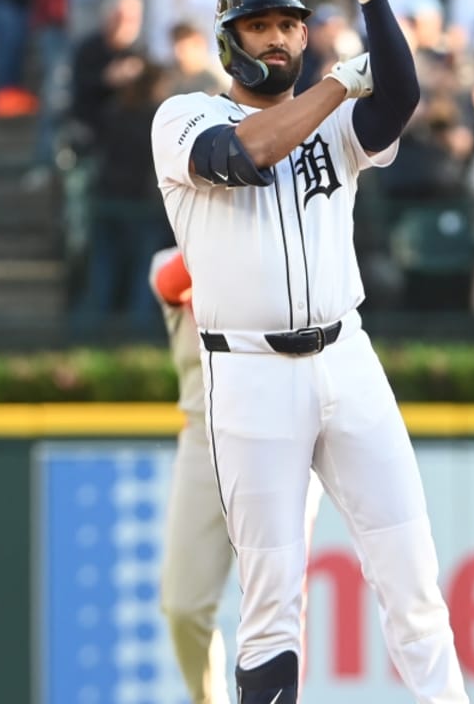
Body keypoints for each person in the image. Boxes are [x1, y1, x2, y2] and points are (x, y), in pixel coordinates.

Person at [148, 0, 469, 704]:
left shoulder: (334, 120)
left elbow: (396, 99)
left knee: (414, 581)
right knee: (272, 605)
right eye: (258, 26)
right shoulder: (185, 116)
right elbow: (245, 153)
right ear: (231, 38)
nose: (277, 39)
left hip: (346, 358)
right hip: (250, 376)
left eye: (288, 24)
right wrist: (336, 80)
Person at [147, 248, 323, 704]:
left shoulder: (286, 243)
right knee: (183, 606)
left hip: (280, 436)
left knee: (277, 605)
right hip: (204, 446)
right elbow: (174, 280)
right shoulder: (175, 261)